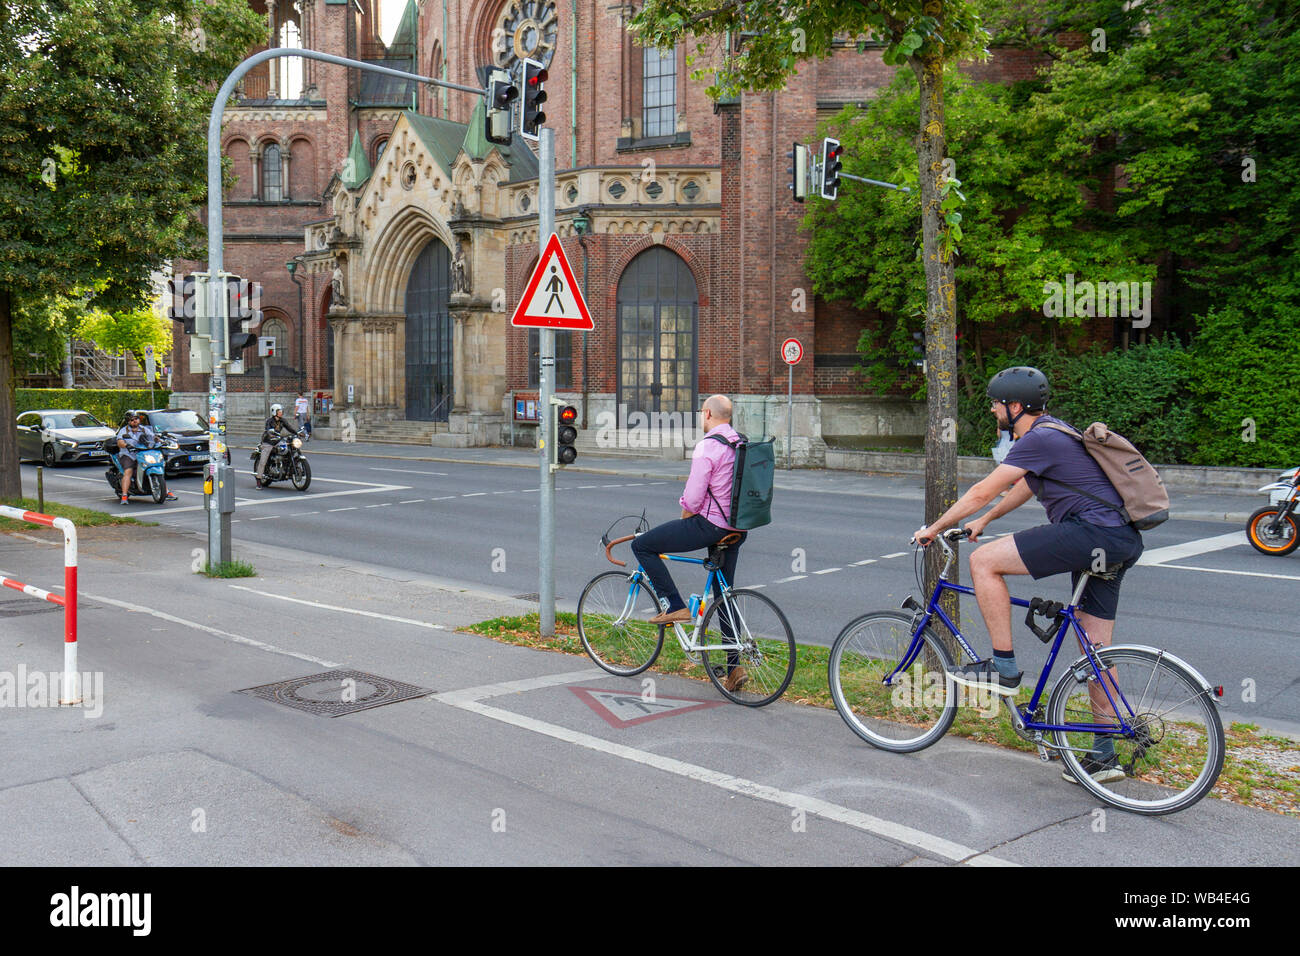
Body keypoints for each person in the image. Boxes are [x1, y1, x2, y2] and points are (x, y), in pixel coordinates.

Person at [914, 367, 1144, 783]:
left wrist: (932, 527)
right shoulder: (1055, 432)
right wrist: (985, 520)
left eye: (995, 403)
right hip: (1119, 541)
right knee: (1095, 652)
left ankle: (1004, 669)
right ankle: (1104, 754)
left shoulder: (1038, 437)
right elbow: (1023, 486)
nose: (991, 409)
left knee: (984, 562)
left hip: (1090, 534)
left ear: (1014, 406)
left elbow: (983, 488)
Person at [631, 394, 749, 691]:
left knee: (643, 545)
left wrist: (685, 513)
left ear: (707, 413)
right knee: (724, 593)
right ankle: (734, 669)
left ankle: (675, 605)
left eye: (701, 412)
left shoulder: (708, 446)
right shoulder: (741, 442)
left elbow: (694, 498)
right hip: (738, 527)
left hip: (710, 526)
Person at [115, 413, 176, 503]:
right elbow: (119, 442)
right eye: (132, 420)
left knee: (158, 466)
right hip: (129, 454)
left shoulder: (144, 429)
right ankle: (124, 496)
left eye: (136, 419)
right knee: (128, 471)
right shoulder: (124, 431)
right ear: (128, 421)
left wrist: (161, 441)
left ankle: (165, 491)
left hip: (144, 452)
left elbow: (153, 437)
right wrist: (126, 445)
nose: (135, 421)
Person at [255, 403, 300, 487]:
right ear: (274, 412)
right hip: (268, 441)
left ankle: (286, 468)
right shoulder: (269, 421)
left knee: (289, 447)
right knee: (263, 461)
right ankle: (258, 479)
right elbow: (268, 429)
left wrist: (297, 433)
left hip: (278, 440)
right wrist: (270, 432)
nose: (281, 412)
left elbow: (289, 427)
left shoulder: (282, 420)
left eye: (281, 411)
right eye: (279, 411)